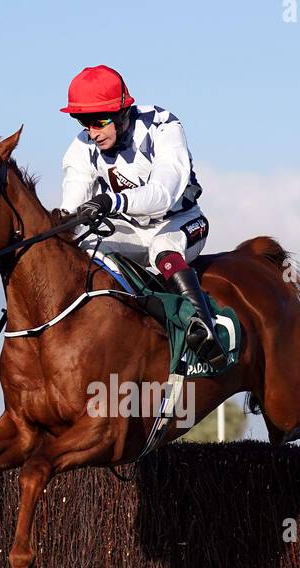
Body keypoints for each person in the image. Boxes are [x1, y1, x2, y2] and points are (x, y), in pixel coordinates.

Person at [56, 65, 225, 366]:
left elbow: (162, 196)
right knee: (84, 244)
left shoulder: (163, 127)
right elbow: (71, 209)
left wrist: (111, 200)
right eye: (84, 122)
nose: (92, 132)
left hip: (179, 222)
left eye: (99, 121)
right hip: (131, 230)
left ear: (123, 112)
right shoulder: (81, 147)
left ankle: (204, 329)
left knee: (162, 247)